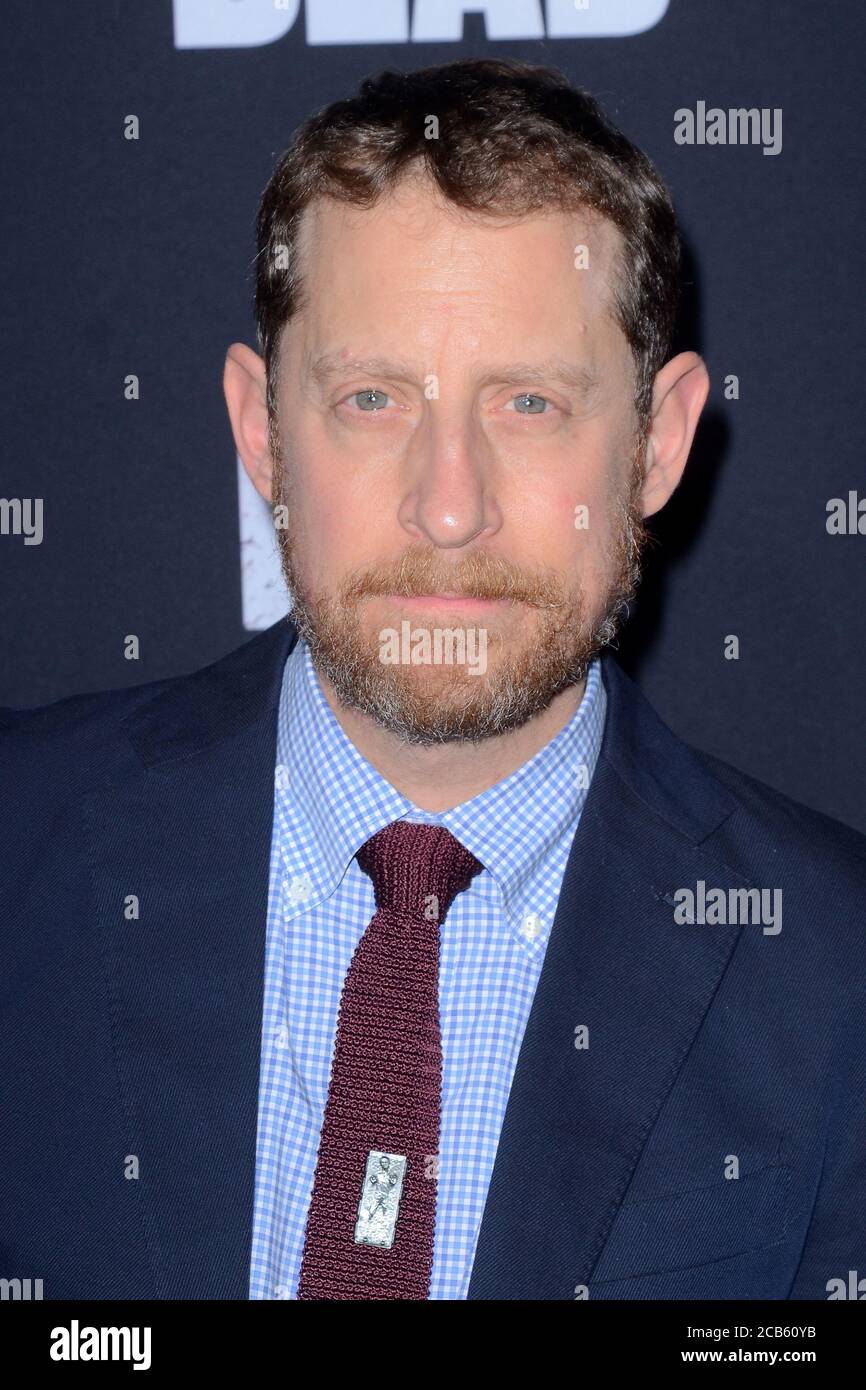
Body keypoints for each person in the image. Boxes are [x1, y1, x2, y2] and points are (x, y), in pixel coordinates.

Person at [2, 58, 864, 1302]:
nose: (447, 505)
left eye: (526, 402)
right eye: (369, 398)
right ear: (261, 430)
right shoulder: (22, 844)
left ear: (657, 443)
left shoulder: (833, 981)